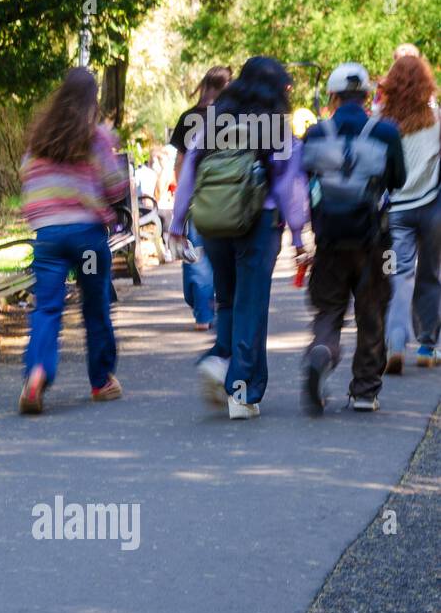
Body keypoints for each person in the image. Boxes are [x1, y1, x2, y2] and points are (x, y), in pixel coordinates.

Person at [168, 56, 310, 420]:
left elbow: (190, 171)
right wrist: (297, 235)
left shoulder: (213, 119)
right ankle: (242, 390)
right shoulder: (276, 125)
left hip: (214, 221)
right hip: (258, 222)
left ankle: (221, 360)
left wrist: (178, 223)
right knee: (251, 302)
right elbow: (290, 184)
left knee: (227, 299)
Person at [18, 68, 127, 415]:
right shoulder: (95, 137)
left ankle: (37, 372)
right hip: (87, 237)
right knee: (95, 305)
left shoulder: (39, 140)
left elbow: (26, 177)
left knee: (47, 308)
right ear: (91, 99)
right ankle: (100, 381)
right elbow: (115, 185)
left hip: (48, 237)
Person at [299, 62, 406, 414]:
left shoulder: (316, 134)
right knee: (372, 309)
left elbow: (307, 179)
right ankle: (364, 391)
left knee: (329, 309)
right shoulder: (386, 132)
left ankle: (323, 350)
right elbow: (398, 179)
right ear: (367, 95)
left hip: (329, 238)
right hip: (374, 239)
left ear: (332, 96)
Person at [379, 53, 441, 371]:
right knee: (430, 274)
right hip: (432, 208)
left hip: (397, 209)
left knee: (399, 276)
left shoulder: (380, 118)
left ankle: (396, 340)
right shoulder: (436, 116)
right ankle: (428, 347)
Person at [168, 66, 232, 330]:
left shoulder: (189, 118)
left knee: (196, 254)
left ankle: (203, 315)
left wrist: (183, 194)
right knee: (225, 253)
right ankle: (222, 306)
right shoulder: (233, 118)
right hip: (228, 196)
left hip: (197, 196)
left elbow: (181, 161)